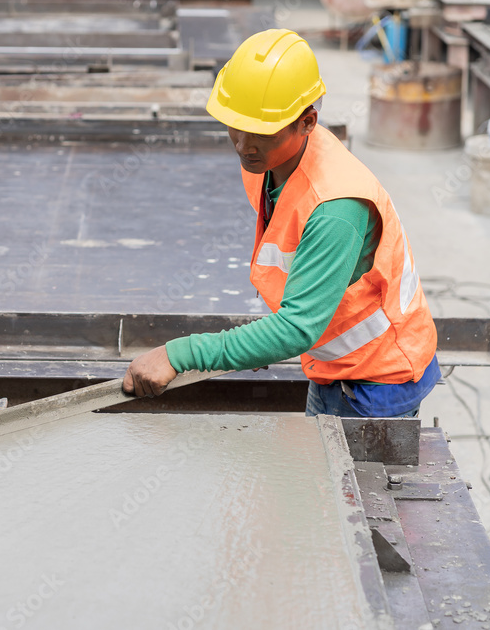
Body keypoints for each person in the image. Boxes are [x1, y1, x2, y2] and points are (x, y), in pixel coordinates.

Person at [122, 29, 440, 418]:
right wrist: (257, 342)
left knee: (337, 481)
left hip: (374, 380)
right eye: (235, 125)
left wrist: (178, 354)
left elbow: (295, 329)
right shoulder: (269, 160)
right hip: (333, 364)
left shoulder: (336, 208)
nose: (243, 144)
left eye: (261, 132)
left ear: (307, 122)